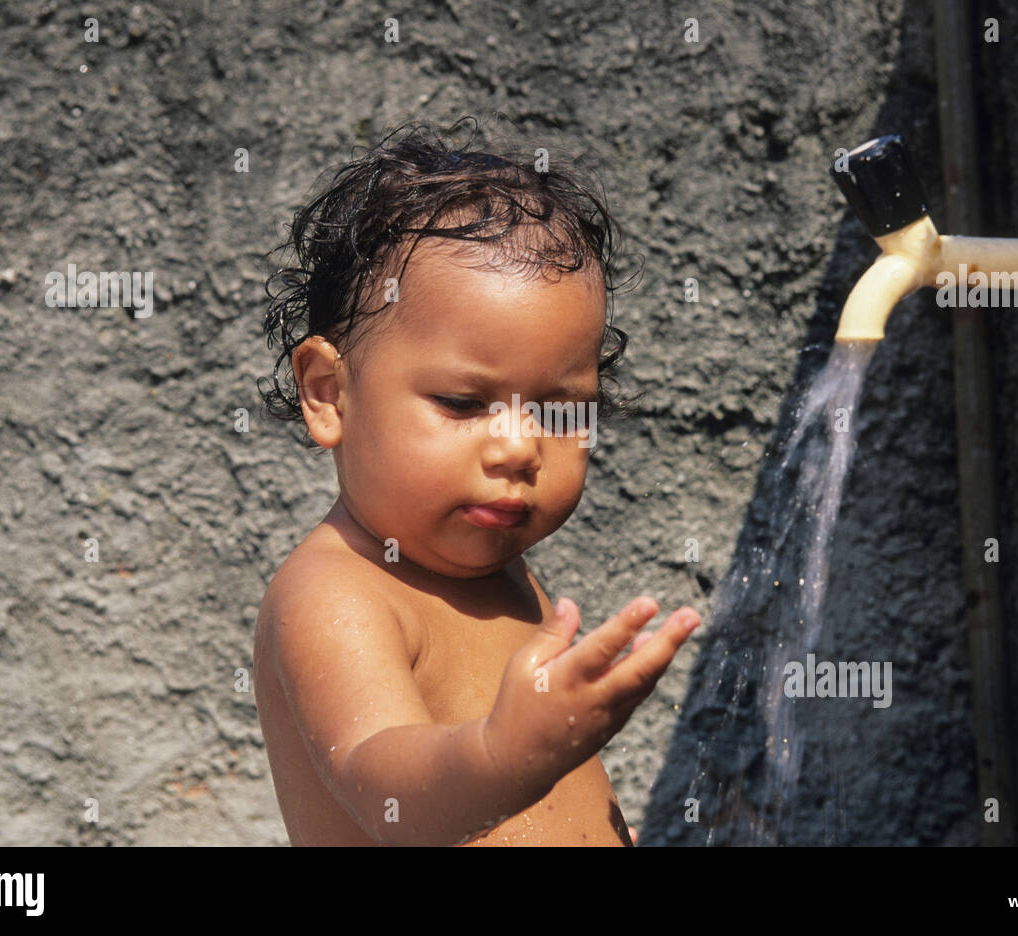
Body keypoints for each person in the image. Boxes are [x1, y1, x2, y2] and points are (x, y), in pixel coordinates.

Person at [253, 117, 700, 845]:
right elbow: (389, 792)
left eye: (560, 412)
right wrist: (508, 753)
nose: (520, 447)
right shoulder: (336, 594)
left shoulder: (501, 575)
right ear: (330, 394)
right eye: (464, 403)